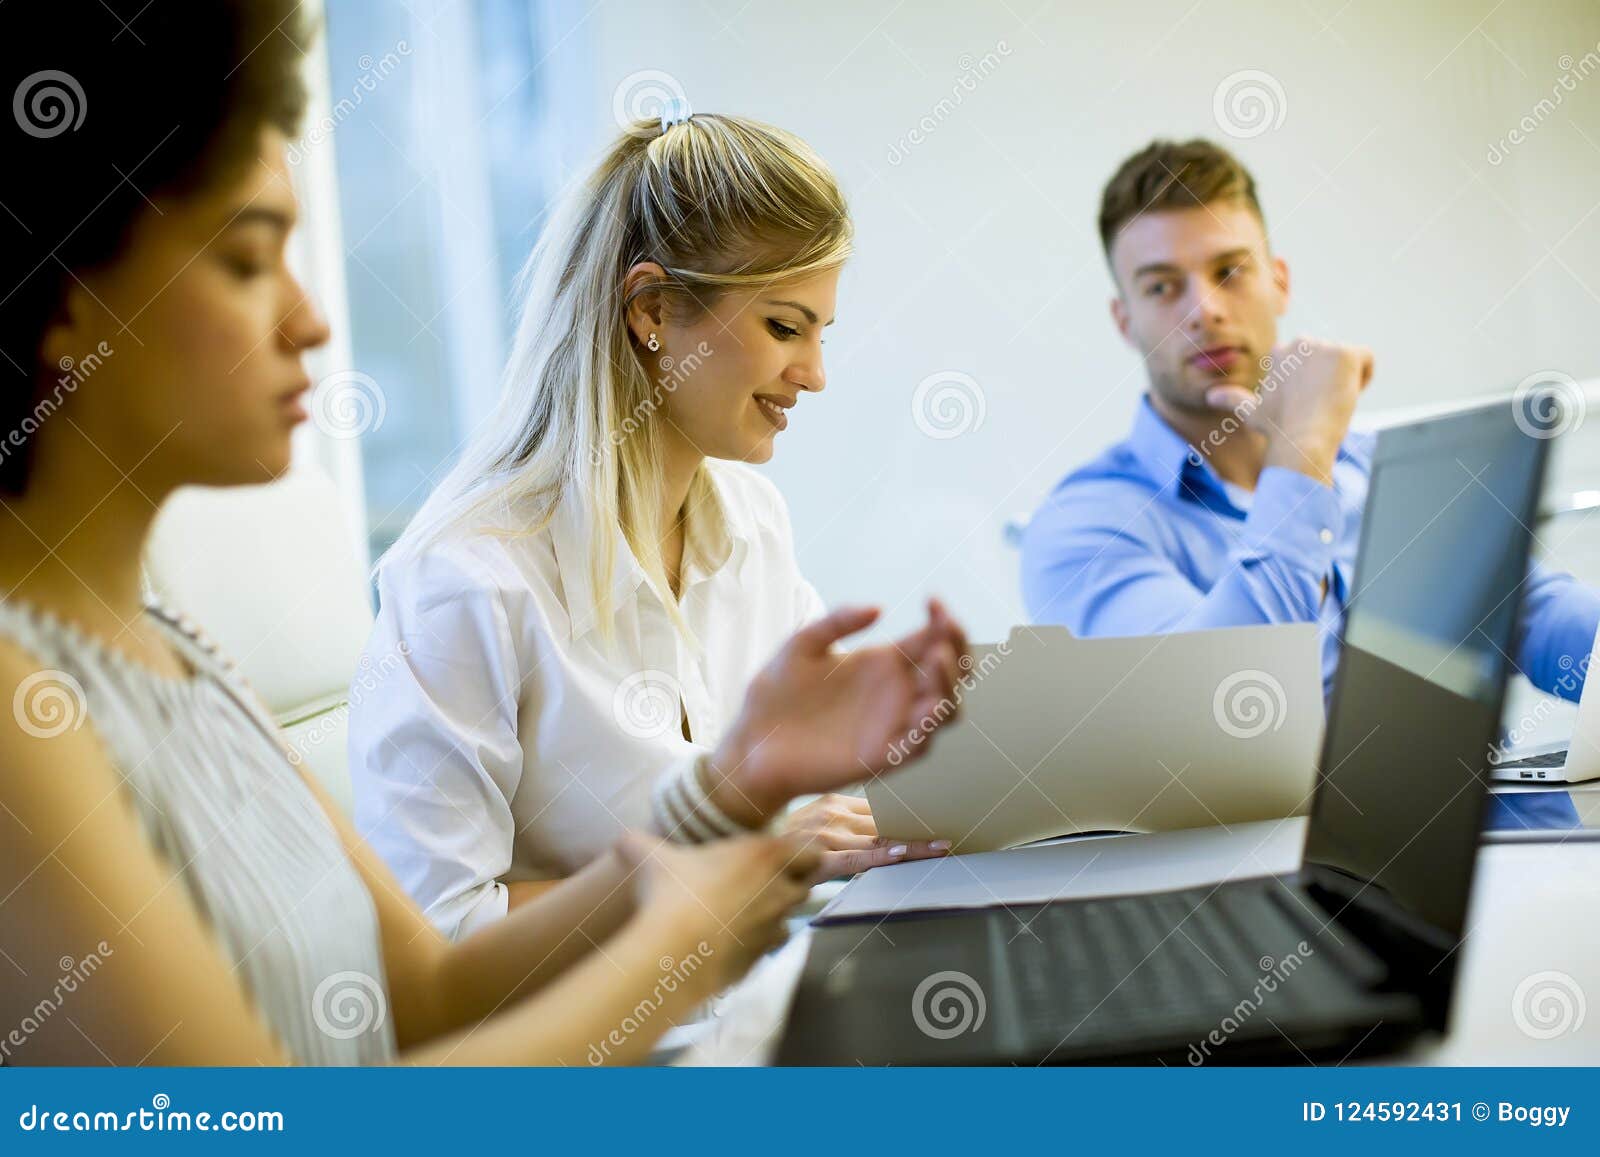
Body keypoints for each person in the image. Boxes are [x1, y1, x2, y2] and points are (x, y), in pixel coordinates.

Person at [0, 1, 966, 1065]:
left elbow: (422, 990)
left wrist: (732, 791)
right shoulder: (23, 711)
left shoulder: (185, 651)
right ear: (66, 292)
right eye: (245, 259)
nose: (316, 321)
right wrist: (683, 932)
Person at [348, 110, 954, 938]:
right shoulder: (467, 582)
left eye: (821, 332)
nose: (813, 375)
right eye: (784, 326)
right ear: (653, 308)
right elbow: (441, 934)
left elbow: (814, 792)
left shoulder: (752, 524)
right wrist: (746, 863)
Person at [1020, 138, 1600, 700]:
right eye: (1163, 287)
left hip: (1473, 797)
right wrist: (1304, 448)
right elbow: (1219, 706)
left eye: (1229, 272)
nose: (1204, 310)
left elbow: (1525, 612)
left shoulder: (1379, 468)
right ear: (1126, 321)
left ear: (1280, 283)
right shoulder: (1082, 531)